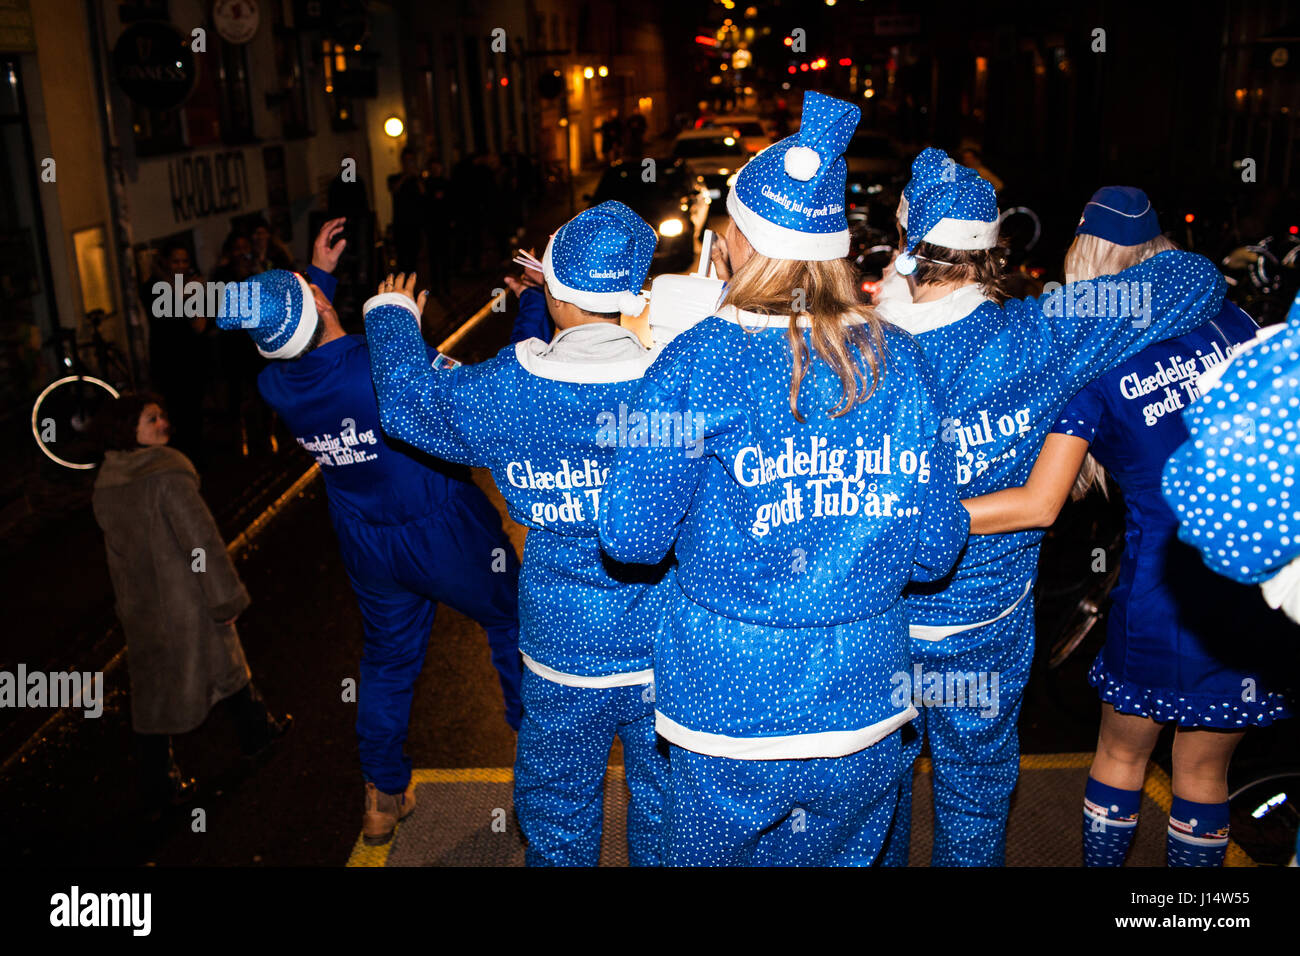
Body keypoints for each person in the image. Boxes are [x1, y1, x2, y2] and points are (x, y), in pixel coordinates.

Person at [598, 91, 970, 867]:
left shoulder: (693, 363)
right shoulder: (903, 360)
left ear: (737, 240)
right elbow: (937, 552)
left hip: (726, 702)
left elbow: (629, 537)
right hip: (865, 703)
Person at [871, 150, 1229, 867]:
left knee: (877, 789)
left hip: (880, 618)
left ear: (906, 249)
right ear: (993, 251)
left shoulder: (859, 349)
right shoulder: (1044, 331)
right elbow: (1195, 278)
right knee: (974, 794)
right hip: (985, 621)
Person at [962, 187, 1298, 867]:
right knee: (1204, 775)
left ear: (1085, 258)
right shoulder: (1230, 321)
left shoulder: (1091, 361)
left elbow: (1040, 503)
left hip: (1163, 592)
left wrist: (891, 520)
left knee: (1121, 753)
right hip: (1255, 578)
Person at [364, 202, 670, 866]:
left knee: (559, 810)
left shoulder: (508, 390)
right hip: (664, 643)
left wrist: (391, 320)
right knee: (665, 808)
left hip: (562, 645)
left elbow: (408, 405)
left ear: (555, 295)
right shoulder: (677, 380)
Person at [215, 225, 524, 847]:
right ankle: (538, 770)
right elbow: (485, 397)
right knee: (515, 625)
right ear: (322, 307)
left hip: (365, 539)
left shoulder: (276, 384)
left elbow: (300, 339)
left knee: (387, 661)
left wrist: (318, 279)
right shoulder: (375, 365)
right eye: (310, 287)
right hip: (443, 524)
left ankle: (382, 798)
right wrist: (405, 319)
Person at [92, 393, 290, 808]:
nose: (163, 423)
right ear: (129, 428)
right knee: (228, 667)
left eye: (163, 415)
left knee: (152, 693)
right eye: (151, 419)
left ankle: (160, 784)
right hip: (189, 601)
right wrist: (224, 598)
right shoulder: (166, 476)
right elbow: (199, 543)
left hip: (143, 607)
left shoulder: (107, 484)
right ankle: (258, 736)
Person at [145, 240, 211, 466]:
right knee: (175, 415)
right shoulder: (154, 287)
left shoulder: (190, 286)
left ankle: (196, 460)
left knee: (194, 413)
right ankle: (178, 461)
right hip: (169, 364)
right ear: (165, 262)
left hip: (192, 361)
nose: (181, 266)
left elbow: (200, 324)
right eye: (176, 261)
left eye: (184, 261)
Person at [388, 147, 425, 277]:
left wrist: (416, 177)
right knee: (402, 261)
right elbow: (394, 190)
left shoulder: (417, 179)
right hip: (401, 225)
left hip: (415, 225)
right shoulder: (395, 178)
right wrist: (405, 176)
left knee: (414, 261)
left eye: (411, 161)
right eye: (407, 161)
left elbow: (423, 194)